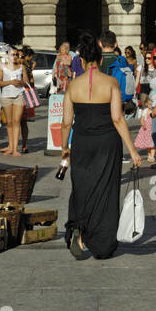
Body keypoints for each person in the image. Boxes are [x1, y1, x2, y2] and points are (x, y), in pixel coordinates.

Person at [62, 34, 143, 260]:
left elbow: (66, 122)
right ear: (99, 58)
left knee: (82, 186)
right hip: (107, 141)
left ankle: (79, 229)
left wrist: (63, 148)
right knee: (105, 189)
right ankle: (101, 242)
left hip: (81, 140)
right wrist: (133, 150)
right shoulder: (110, 83)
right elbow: (118, 119)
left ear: (82, 60)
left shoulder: (73, 85)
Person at [0, 48, 26, 156]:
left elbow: (26, 82)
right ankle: (11, 146)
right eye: (13, 54)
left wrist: (20, 82)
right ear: (8, 55)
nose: (15, 56)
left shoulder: (22, 67)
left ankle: (15, 149)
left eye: (17, 54)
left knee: (17, 121)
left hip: (19, 95)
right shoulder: (2, 67)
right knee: (9, 122)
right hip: (6, 96)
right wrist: (11, 82)